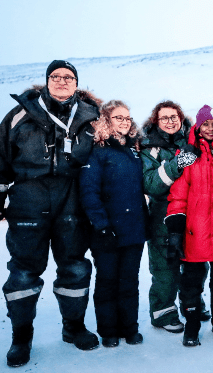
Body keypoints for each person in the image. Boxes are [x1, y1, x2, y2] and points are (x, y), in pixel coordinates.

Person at [0, 60, 101, 367]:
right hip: (28, 199)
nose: (62, 81)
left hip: (72, 199)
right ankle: (21, 336)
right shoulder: (20, 114)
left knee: (74, 267)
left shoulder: (91, 117)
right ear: (46, 81)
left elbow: (108, 157)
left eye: (68, 77)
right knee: (23, 271)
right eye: (56, 76)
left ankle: (73, 327)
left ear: (77, 84)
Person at [79, 100, 148, 348]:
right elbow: (89, 191)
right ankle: (108, 331)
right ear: (107, 120)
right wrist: (101, 225)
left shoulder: (133, 151)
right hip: (106, 232)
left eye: (127, 118)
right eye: (118, 117)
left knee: (129, 281)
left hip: (133, 230)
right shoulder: (97, 152)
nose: (124, 122)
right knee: (107, 281)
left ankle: (129, 328)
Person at [165, 105, 213, 346]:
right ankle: (192, 326)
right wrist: (175, 229)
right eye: (206, 124)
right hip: (194, 231)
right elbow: (178, 194)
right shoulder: (186, 155)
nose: (210, 129)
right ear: (198, 127)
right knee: (191, 283)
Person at [140, 100, 201, 333]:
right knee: (166, 267)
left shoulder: (194, 142)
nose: (170, 121)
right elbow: (151, 184)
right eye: (164, 117)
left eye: (174, 116)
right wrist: (177, 164)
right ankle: (163, 312)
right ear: (156, 121)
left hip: (194, 214)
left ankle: (191, 303)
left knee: (196, 264)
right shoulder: (148, 147)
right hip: (162, 216)